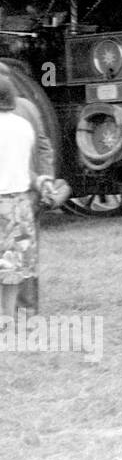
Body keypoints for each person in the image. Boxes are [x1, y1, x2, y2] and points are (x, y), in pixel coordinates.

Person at [0, 76, 45, 328]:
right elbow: (22, 167)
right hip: (19, 203)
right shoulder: (23, 126)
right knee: (13, 265)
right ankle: (7, 317)